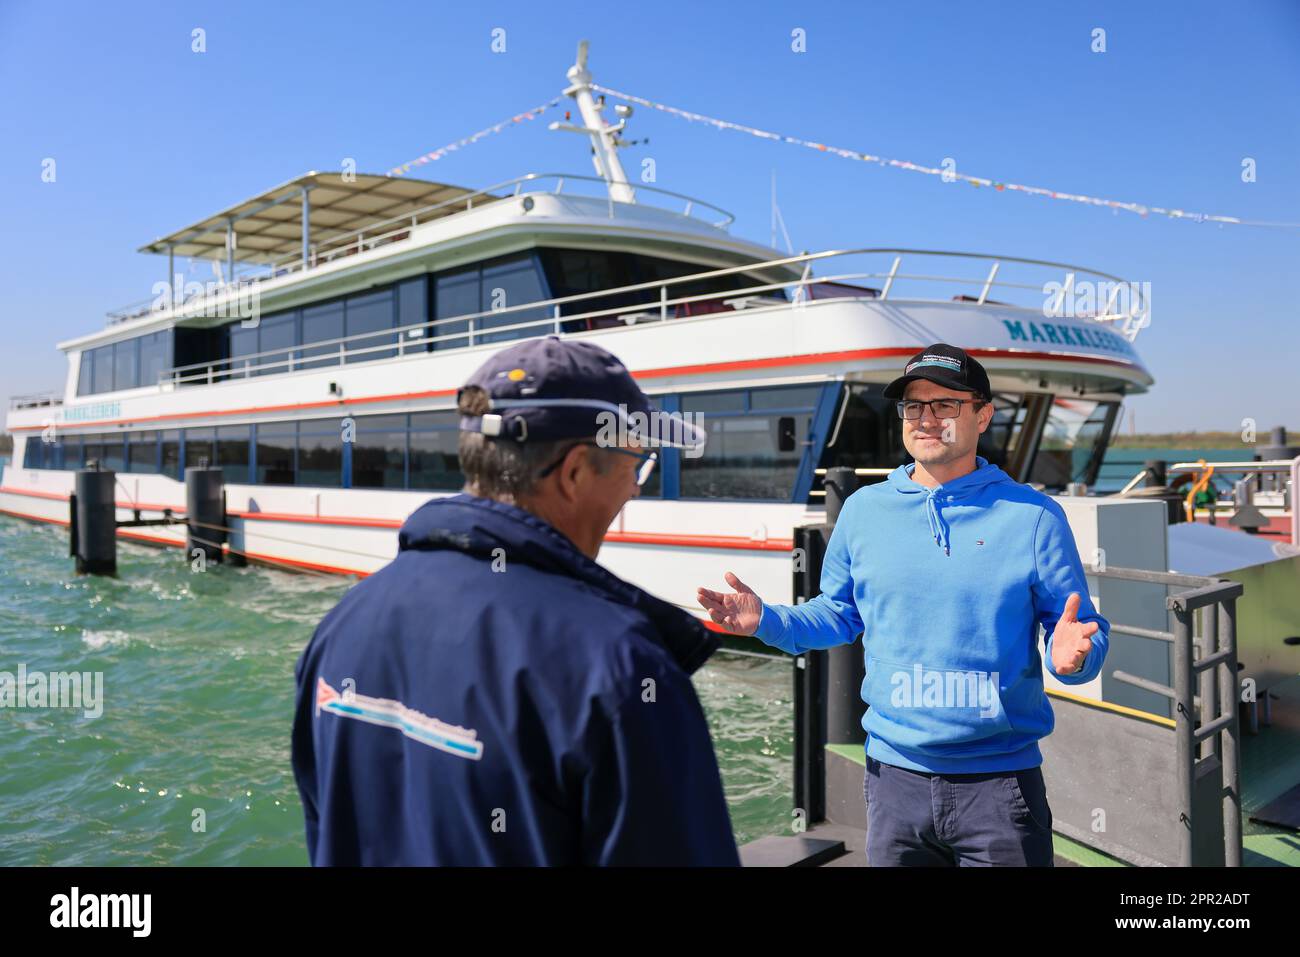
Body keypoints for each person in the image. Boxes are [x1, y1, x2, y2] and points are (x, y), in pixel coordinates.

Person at [293, 335, 739, 865]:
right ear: (574, 473)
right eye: (635, 464)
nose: (635, 489)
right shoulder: (620, 668)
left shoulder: (344, 622)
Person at [697, 343, 1109, 867]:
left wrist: (1073, 658)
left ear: (982, 415)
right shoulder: (863, 512)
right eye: (914, 406)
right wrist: (767, 620)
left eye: (944, 405)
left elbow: (1075, 630)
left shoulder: (1034, 517)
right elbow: (839, 616)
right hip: (893, 784)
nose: (926, 419)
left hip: (1000, 788)